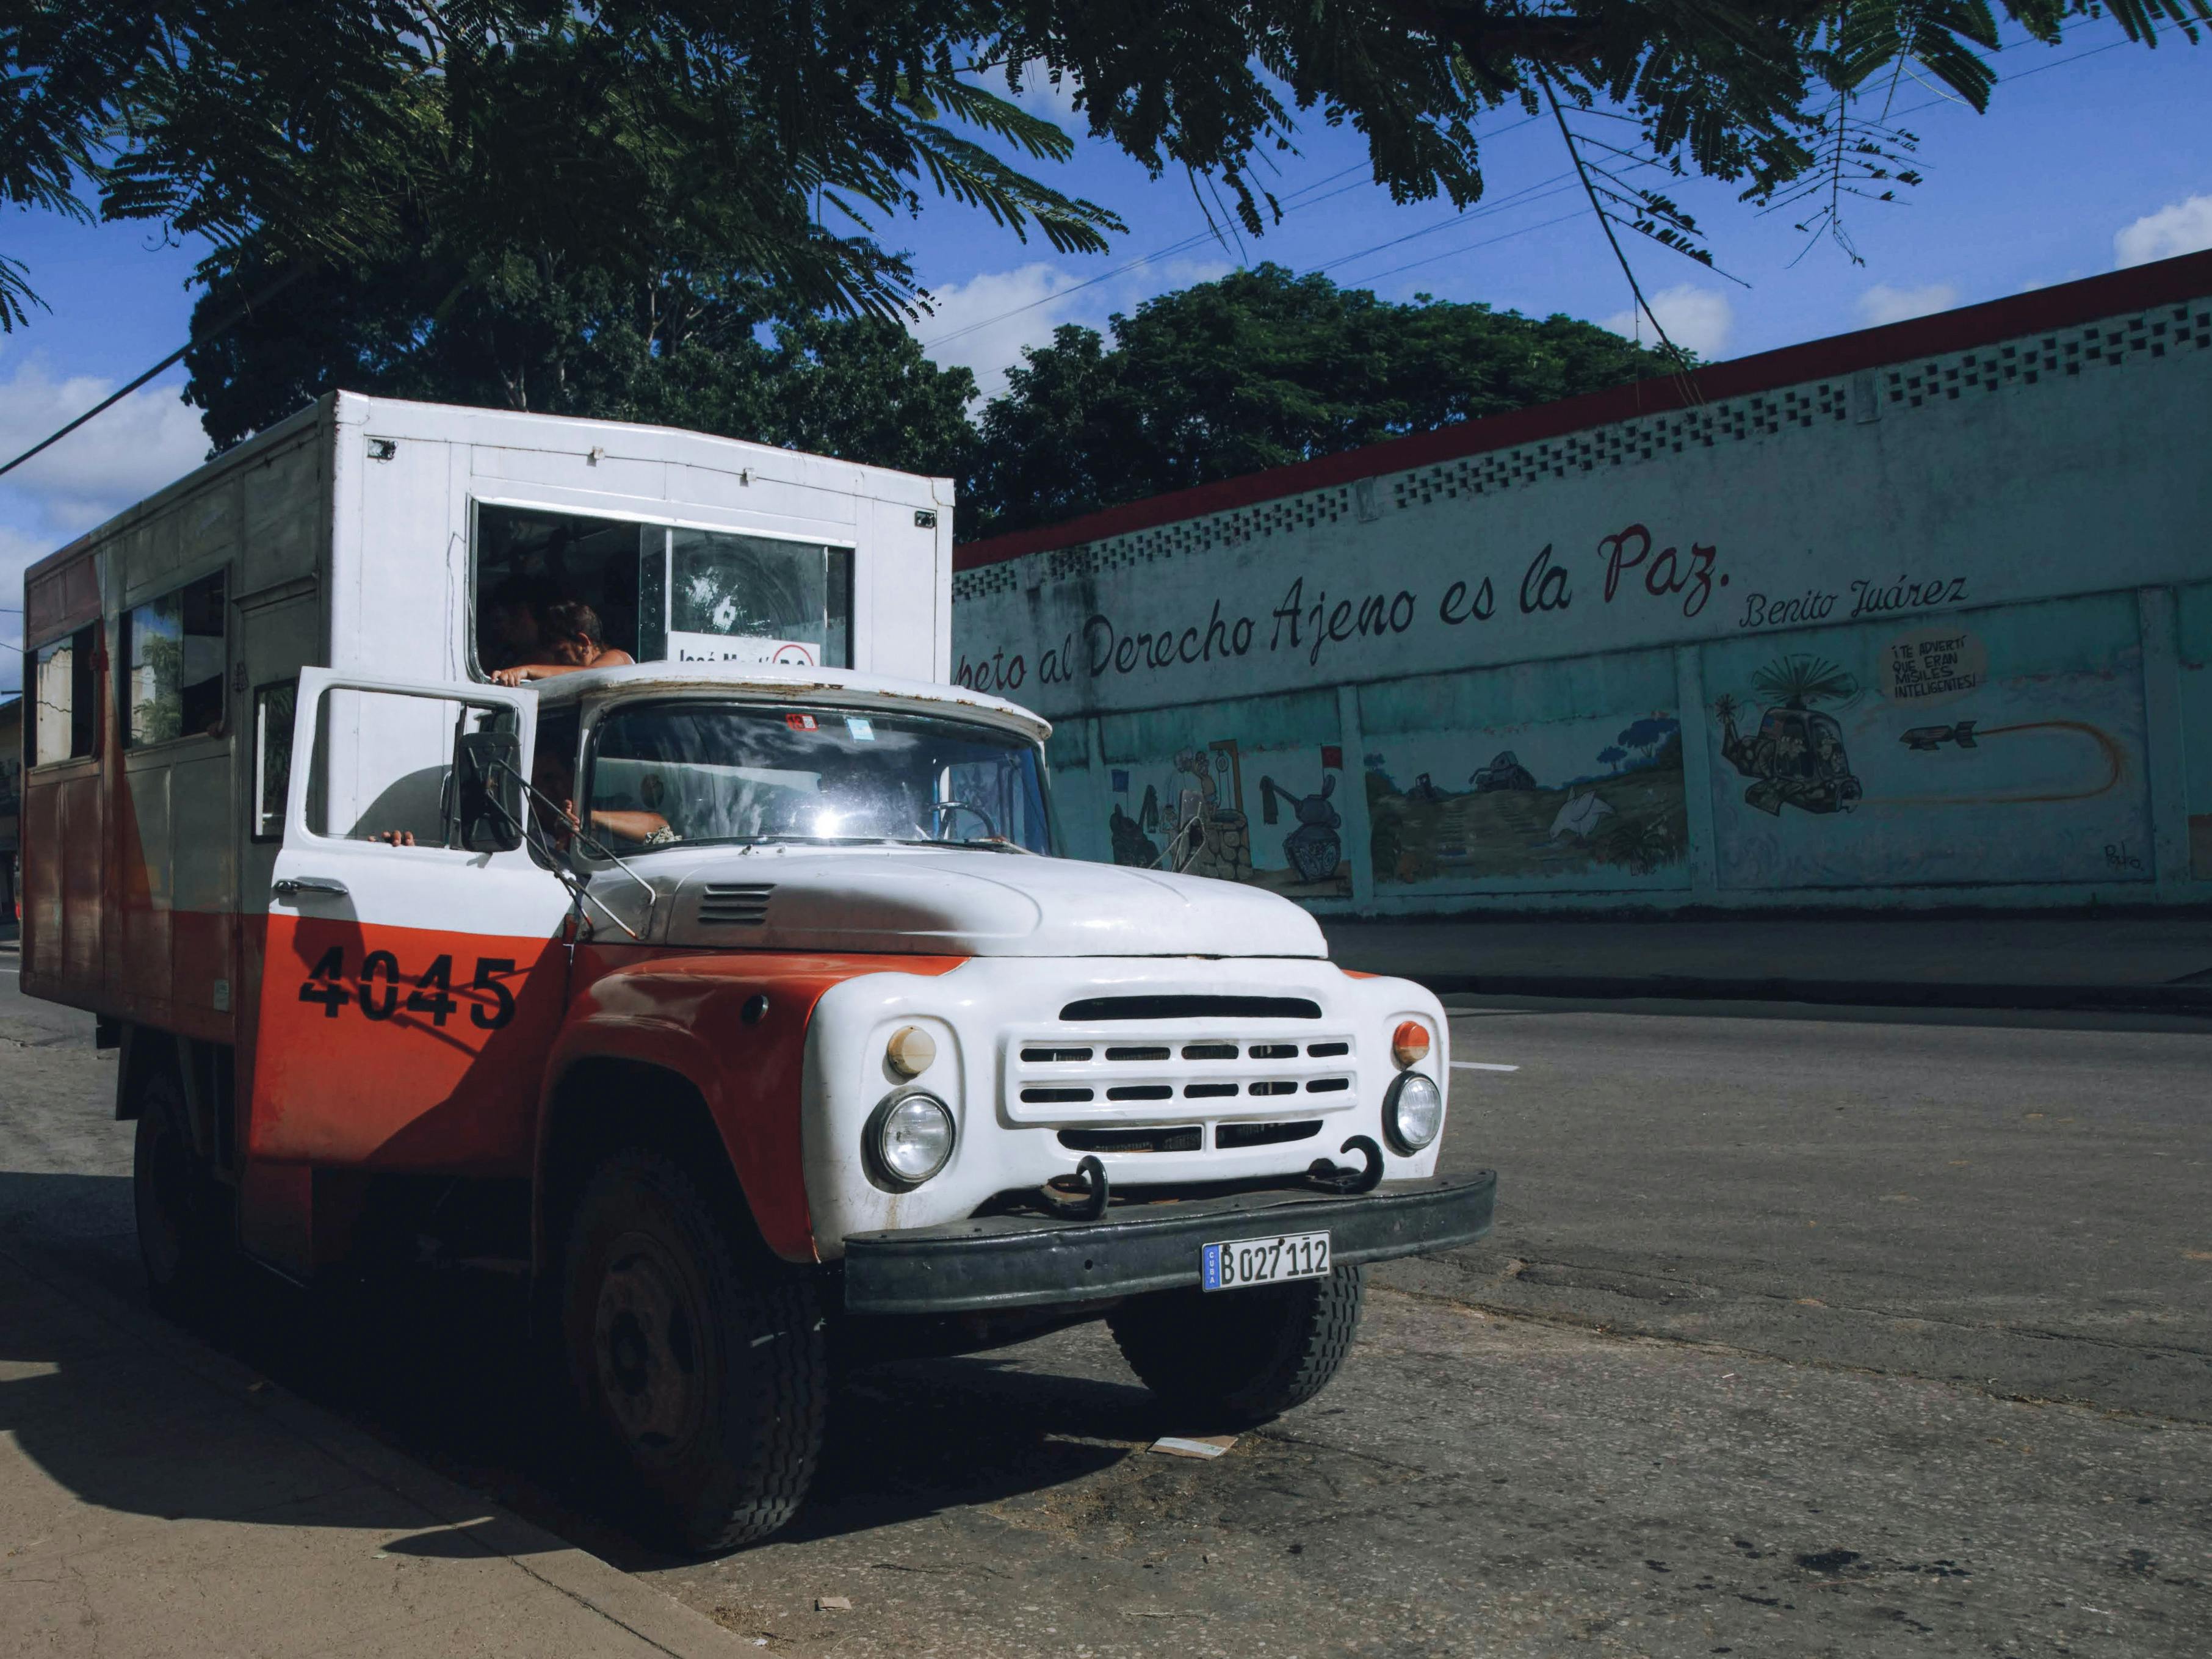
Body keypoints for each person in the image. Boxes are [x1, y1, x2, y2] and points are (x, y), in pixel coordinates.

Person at [490, 600, 635, 686]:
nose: (558, 661)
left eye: (562, 652)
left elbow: (594, 674)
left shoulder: (618, 657)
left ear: (584, 642)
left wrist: (526, 671)